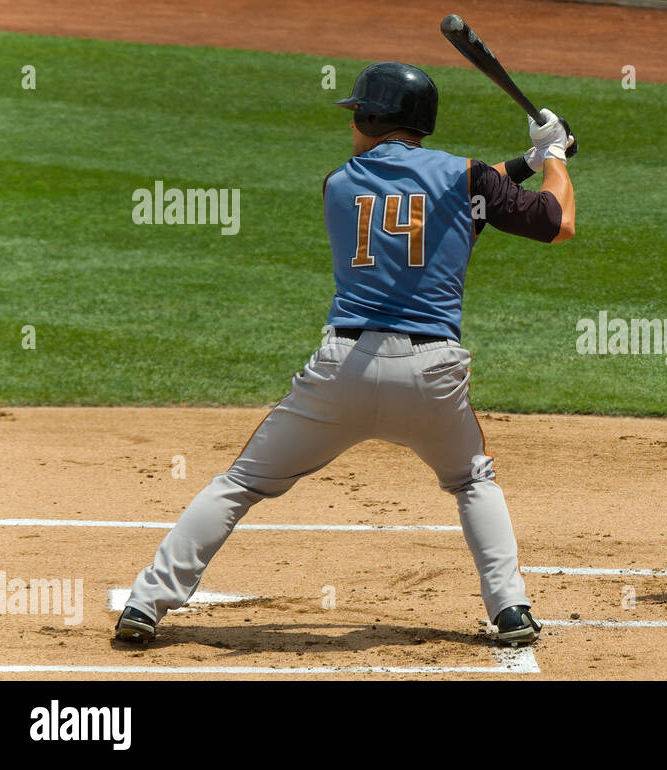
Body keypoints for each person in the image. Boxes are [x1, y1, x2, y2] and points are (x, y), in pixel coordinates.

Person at [114, 61, 575, 648]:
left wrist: (525, 162)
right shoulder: (467, 177)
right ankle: (510, 611)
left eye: (358, 111)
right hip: (430, 378)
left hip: (341, 374)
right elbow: (554, 221)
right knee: (471, 482)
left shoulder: (340, 182)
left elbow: (448, 198)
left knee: (239, 485)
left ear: (375, 118)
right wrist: (553, 156)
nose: (352, 121)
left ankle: (145, 604)